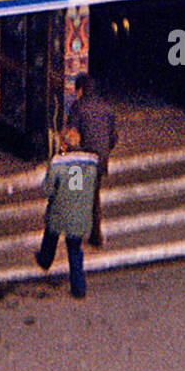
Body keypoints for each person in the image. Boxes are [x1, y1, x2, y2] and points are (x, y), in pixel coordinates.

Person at [35, 124, 98, 298]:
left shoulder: (57, 166)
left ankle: (45, 260)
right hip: (80, 214)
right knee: (74, 250)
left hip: (60, 211)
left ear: (64, 145)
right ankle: (78, 288)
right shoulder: (91, 166)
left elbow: (47, 190)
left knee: (51, 235)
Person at [66, 73, 117, 246]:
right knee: (94, 196)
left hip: (83, 158)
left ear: (80, 90)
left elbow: (72, 135)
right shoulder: (106, 108)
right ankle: (96, 234)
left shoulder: (78, 107)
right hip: (100, 159)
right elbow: (113, 137)